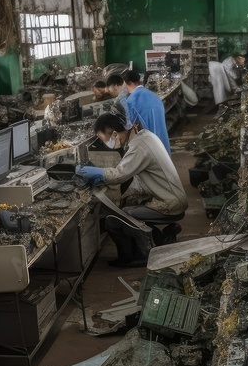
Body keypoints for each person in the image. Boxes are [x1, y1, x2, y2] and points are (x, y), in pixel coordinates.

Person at [75, 114, 186, 268]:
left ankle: (141, 255)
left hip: (169, 203)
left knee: (115, 220)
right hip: (172, 196)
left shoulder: (139, 146)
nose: (104, 143)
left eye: (103, 139)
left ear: (114, 134)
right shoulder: (143, 136)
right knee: (124, 209)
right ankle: (160, 241)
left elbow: (120, 174)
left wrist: (96, 172)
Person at [122, 69, 171, 154]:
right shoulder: (153, 95)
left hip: (149, 137)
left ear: (127, 83)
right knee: (163, 151)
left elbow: (130, 123)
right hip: (161, 131)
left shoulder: (131, 100)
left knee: (154, 155)